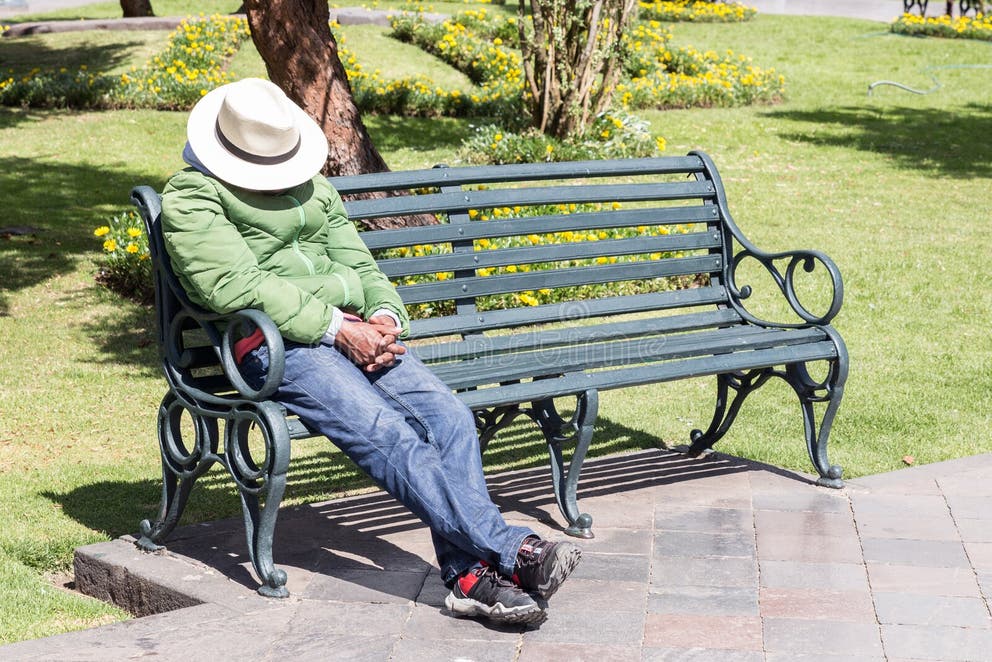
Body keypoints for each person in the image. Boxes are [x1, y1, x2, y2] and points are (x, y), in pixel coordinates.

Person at [160, 78, 581, 626]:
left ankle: (470, 580)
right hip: (273, 347)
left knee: (449, 417)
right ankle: (512, 550)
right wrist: (337, 328)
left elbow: (360, 265)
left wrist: (383, 317)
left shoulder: (312, 187)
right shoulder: (193, 196)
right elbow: (233, 287)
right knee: (387, 432)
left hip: (353, 331)